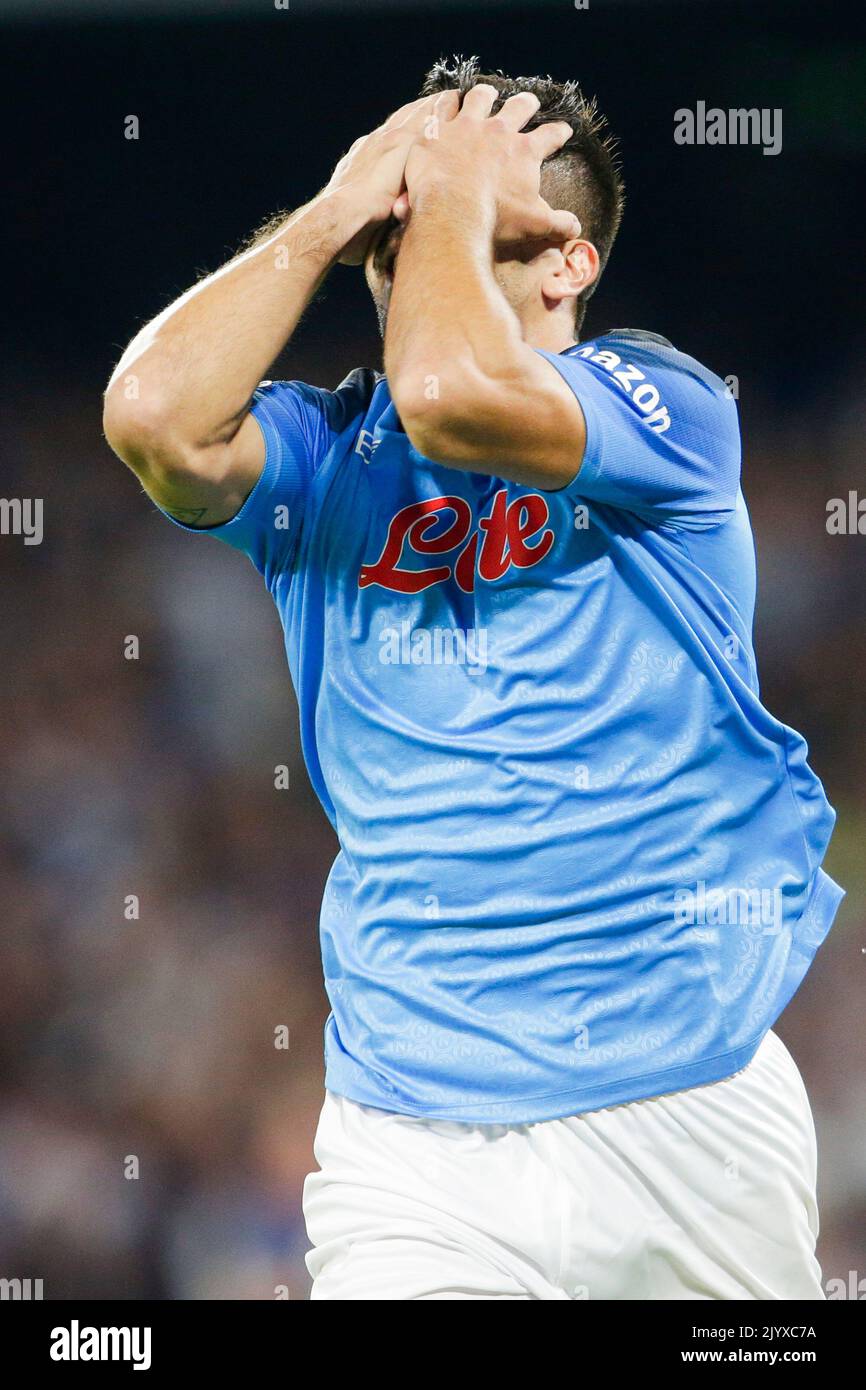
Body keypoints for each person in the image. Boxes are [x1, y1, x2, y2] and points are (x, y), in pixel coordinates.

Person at [103, 57, 843, 1300]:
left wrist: (437, 185)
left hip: (686, 1109)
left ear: (567, 264)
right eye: (402, 229)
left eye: (461, 226)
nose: (414, 255)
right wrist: (336, 210)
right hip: (413, 1139)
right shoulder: (320, 453)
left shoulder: (662, 406)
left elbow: (453, 394)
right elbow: (153, 422)